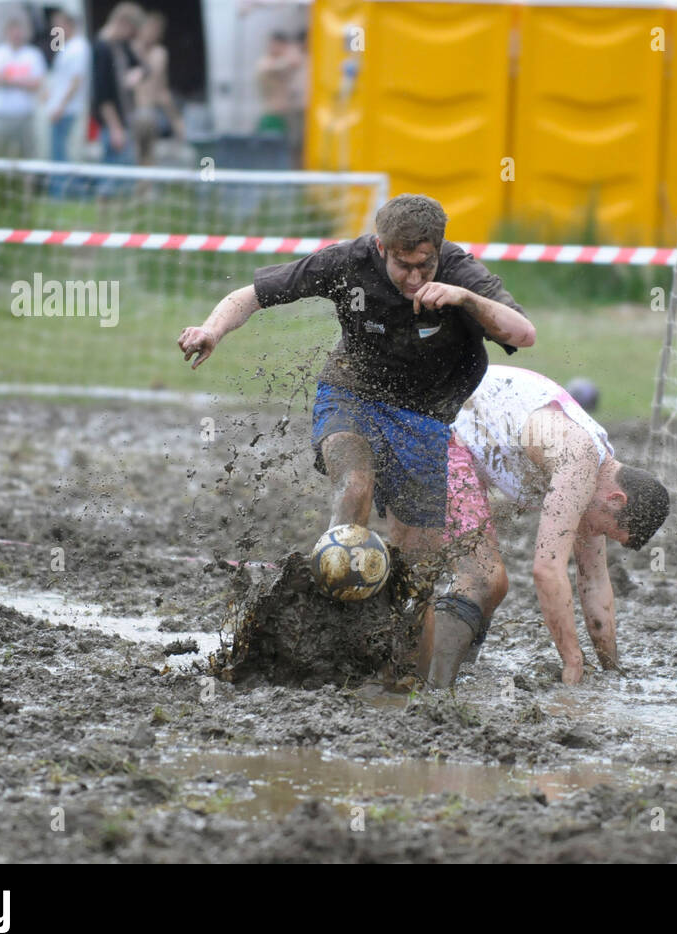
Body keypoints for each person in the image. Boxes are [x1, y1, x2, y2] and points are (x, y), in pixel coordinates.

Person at [176, 194, 536, 653]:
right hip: (353, 393)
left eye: (424, 265)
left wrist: (465, 298)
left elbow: (524, 334)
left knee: (416, 569)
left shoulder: (461, 272)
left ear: (438, 251)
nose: (415, 278)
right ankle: (327, 625)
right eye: (403, 265)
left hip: (425, 419)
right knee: (355, 484)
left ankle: (403, 663)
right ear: (382, 248)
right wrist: (211, 329)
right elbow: (250, 295)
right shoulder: (347, 261)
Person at [428, 365, 669, 686]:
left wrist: (612, 671)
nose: (596, 534)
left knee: (495, 584)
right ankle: (431, 690)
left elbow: (594, 580)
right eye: (606, 531)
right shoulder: (578, 461)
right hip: (443, 423)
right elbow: (547, 571)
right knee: (483, 578)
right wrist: (572, 660)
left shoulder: (595, 474)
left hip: (462, 418)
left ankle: (456, 676)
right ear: (616, 500)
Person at [0, 18, 46, 158]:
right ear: (6, 33)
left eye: (18, 32)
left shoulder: (33, 54)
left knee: (28, 154)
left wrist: (8, 79)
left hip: (25, 114)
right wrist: (22, 81)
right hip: (2, 114)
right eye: (13, 32)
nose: (16, 35)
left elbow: (37, 83)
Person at [91, 3, 144, 169]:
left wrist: (138, 73)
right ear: (123, 23)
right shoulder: (101, 48)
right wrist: (115, 128)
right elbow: (102, 95)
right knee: (115, 172)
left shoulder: (121, 45)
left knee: (124, 169)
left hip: (124, 118)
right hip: (112, 123)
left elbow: (143, 66)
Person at [129, 11, 183, 166]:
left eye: (156, 31)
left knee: (149, 155)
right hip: (131, 112)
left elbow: (162, 89)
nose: (151, 34)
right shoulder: (130, 49)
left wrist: (175, 119)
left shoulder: (160, 54)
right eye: (149, 28)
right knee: (133, 155)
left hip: (150, 112)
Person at [45, 10, 90, 190]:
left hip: (66, 109)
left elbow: (76, 81)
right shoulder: (67, 46)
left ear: (68, 25)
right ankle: (65, 188)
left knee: (60, 152)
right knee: (59, 151)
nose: (55, 30)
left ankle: (62, 190)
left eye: (58, 26)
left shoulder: (78, 48)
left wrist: (60, 106)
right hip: (61, 107)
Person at [255, 31, 306, 165]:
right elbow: (286, 64)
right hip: (272, 114)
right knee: (270, 152)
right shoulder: (265, 63)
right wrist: (292, 52)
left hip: (284, 114)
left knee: (288, 150)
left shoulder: (279, 62)